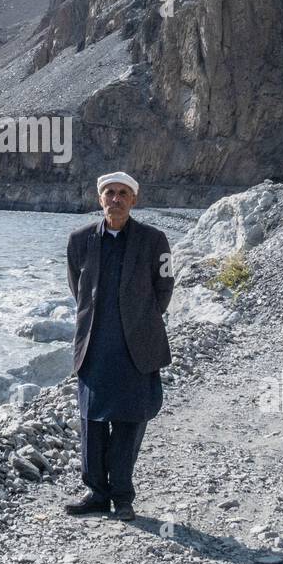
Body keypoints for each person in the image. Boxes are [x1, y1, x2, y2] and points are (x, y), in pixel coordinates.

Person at [63, 171, 174, 521]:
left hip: (136, 348)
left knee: (130, 421)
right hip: (94, 346)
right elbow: (76, 288)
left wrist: (139, 319)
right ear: (100, 199)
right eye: (109, 193)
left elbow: (165, 288)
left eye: (123, 193)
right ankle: (96, 493)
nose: (116, 198)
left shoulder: (155, 240)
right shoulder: (79, 240)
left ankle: (123, 496)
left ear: (134, 199)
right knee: (91, 423)